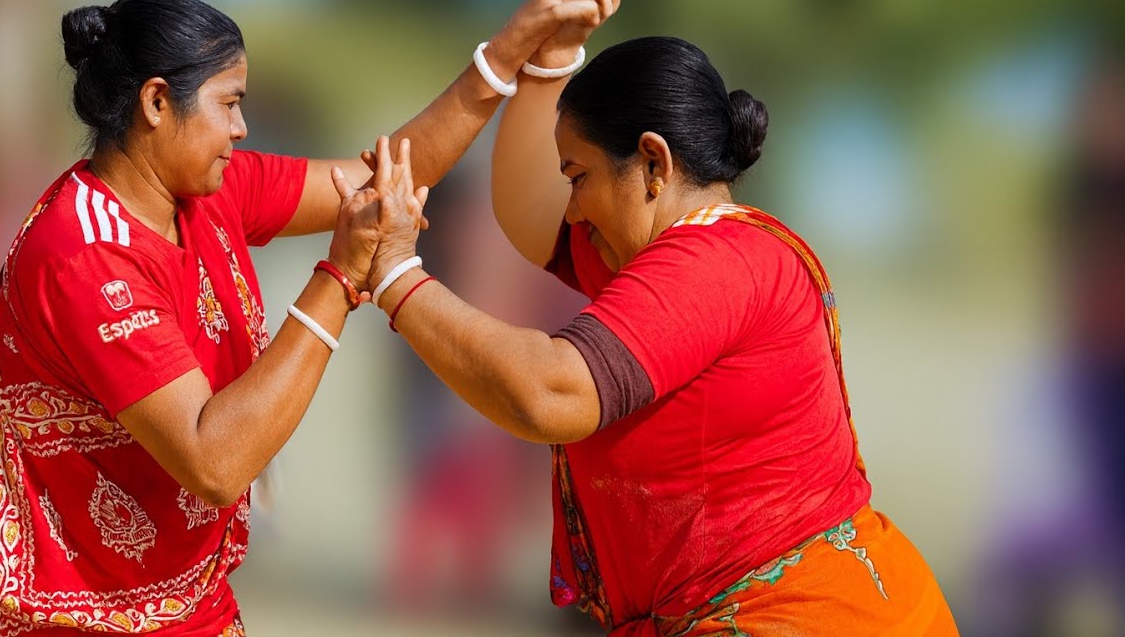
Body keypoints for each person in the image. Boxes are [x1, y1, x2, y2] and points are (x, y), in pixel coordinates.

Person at [0, 0, 624, 636]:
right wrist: (338, 276)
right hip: (66, 617)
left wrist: (512, 50)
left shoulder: (207, 193)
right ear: (155, 103)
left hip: (185, 604)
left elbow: (387, 177)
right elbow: (215, 461)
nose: (241, 128)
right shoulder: (85, 254)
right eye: (229, 104)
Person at [333, 34, 961, 634]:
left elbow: (552, 391)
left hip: (804, 617)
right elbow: (531, 216)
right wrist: (552, 55)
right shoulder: (674, 248)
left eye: (577, 177)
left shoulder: (718, 262)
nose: (571, 207)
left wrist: (395, 275)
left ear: (653, 163)